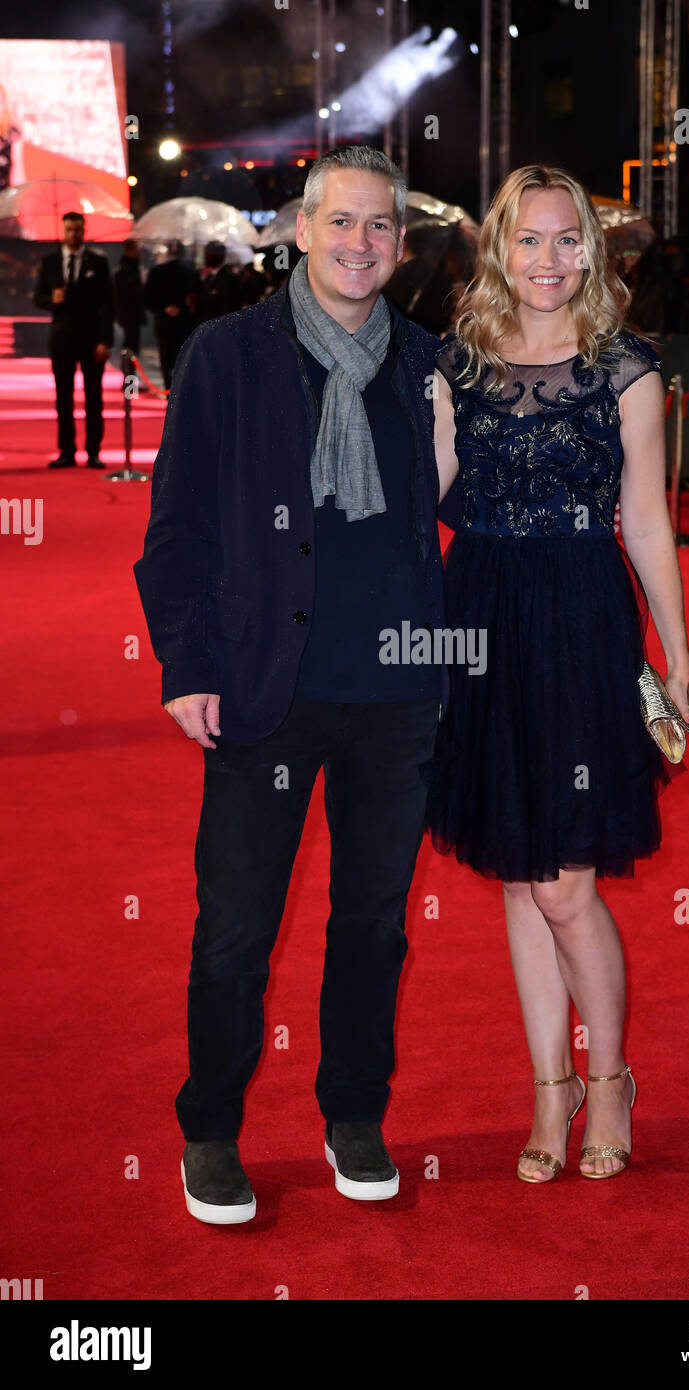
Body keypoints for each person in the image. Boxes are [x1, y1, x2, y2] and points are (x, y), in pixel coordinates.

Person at [133, 145, 447, 1223]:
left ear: (398, 247)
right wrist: (185, 665)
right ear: (300, 230)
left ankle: (353, 1114)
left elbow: (464, 507)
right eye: (342, 222)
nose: (361, 244)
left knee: (372, 921)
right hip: (264, 687)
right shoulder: (226, 357)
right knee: (236, 927)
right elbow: (173, 530)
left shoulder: (424, 363)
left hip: (396, 693)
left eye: (380, 228)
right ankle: (210, 1131)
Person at [427, 164, 689, 1184]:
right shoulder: (458, 365)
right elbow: (425, 497)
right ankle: (551, 1085)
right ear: (499, 248)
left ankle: (610, 1075)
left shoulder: (626, 369)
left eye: (567, 240)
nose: (549, 261)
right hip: (479, 613)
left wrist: (674, 654)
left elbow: (645, 520)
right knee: (516, 861)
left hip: (582, 617)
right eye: (529, 241)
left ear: (593, 248)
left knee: (564, 879)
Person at [32, 211, 114, 468]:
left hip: (92, 340)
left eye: (78, 229)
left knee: (94, 397)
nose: (74, 234)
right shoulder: (49, 262)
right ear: (63, 230)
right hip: (61, 339)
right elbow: (38, 298)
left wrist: (106, 341)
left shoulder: (98, 263)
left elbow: (108, 304)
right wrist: (51, 300)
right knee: (63, 397)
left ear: (84, 230)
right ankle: (66, 451)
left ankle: (93, 452)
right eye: (69, 229)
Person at [142, 241, 197, 390]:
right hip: (184, 323)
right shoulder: (190, 272)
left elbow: (147, 300)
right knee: (184, 360)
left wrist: (164, 309)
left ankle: (169, 392)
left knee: (166, 361)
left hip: (165, 323)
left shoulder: (156, 273)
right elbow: (197, 300)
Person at [191, 240, 244, 325]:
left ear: (218, 256)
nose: (205, 257)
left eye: (208, 254)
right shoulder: (209, 276)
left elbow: (229, 308)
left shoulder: (229, 278)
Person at [113, 238, 147, 357]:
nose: (140, 253)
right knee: (130, 347)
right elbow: (129, 292)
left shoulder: (131, 267)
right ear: (130, 251)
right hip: (129, 314)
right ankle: (128, 374)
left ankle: (129, 373)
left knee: (131, 346)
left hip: (130, 314)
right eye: (137, 249)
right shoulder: (126, 269)